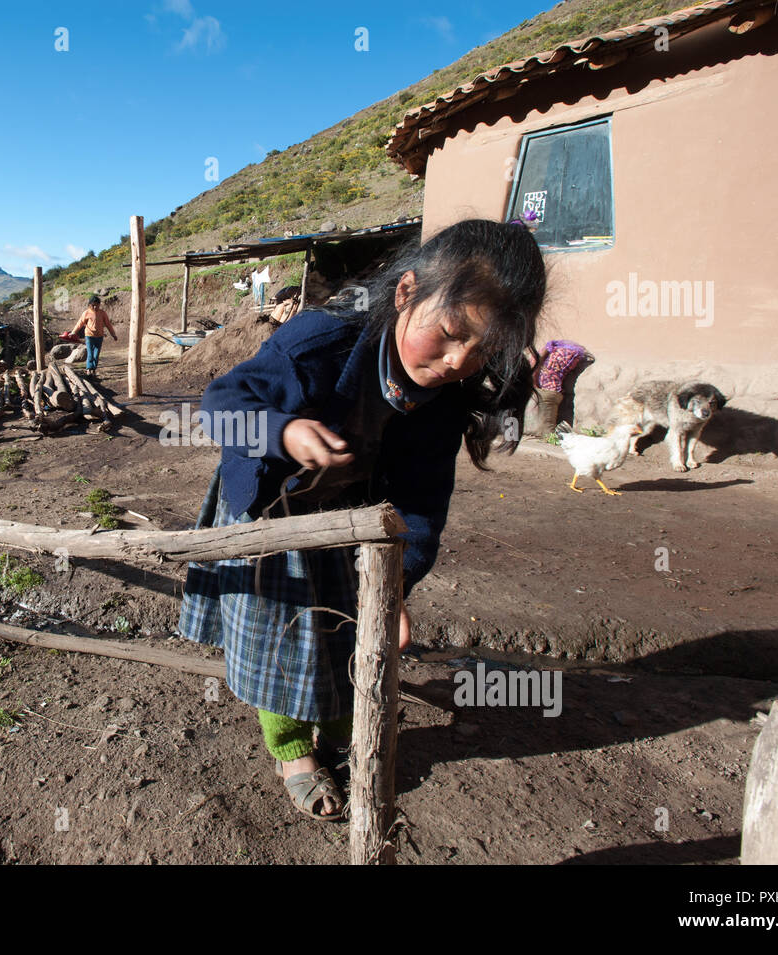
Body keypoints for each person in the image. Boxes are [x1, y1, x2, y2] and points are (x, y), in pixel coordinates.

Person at [178, 219, 546, 820]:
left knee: (352, 632)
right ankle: (292, 749)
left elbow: (423, 499)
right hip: (276, 513)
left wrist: (398, 582)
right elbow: (220, 409)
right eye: (451, 334)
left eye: (481, 352)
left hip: (355, 522)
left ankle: (347, 727)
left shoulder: (444, 398)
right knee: (281, 641)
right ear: (406, 293)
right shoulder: (318, 342)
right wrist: (284, 430)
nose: (457, 361)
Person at [526, 339, 594, 436]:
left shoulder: (542, 372)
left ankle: (546, 431)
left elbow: (536, 368)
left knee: (548, 384)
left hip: (570, 353)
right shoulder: (539, 366)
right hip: (571, 352)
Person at [70, 295, 118, 378]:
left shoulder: (102, 313)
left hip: (99, 337)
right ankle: (89, 369)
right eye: (93, 305)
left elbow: (108, 324)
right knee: (90, 353)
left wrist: (113, 334)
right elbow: (80, 323)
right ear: (89, 305)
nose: (95, 307)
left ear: (99, 305)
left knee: (96, 354)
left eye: (97, 305)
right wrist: (74, 332)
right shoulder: (86, 313)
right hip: (89, 336)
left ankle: (94, 369)